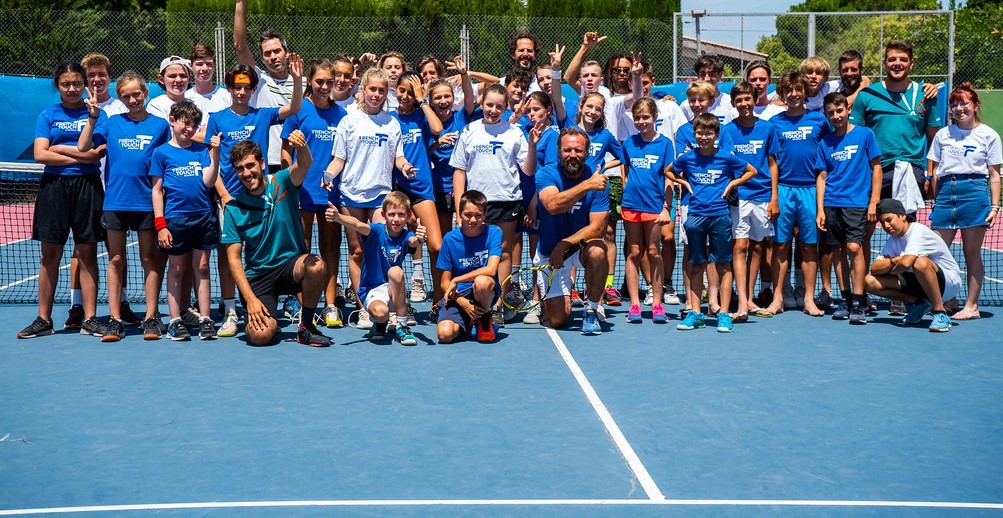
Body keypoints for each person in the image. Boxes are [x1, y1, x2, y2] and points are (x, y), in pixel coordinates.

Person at [207, 59, 303, 336]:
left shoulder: (263, 115)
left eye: (246, 87)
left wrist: (296, 80)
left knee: (272, 246)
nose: (241, 92)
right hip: (232, 199)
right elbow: (212, 160)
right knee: (228, 255)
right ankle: (231, 310)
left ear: (253, 89)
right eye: (236, 87)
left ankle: (282, 301)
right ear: (229, 88)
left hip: (262, 196)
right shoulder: (217, 118)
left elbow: (294, 108)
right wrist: (225, 197)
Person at [78, 72, 172, 341]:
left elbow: (167, 159)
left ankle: (151, 317)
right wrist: (93, 117)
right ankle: (115, 320)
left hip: (146, 203)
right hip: (115, 201)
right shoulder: (111, 123)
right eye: (126, 95)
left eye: (136, 94)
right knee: (116, 259)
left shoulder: (160, 125)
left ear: (146, 93)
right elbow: (84, 146)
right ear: (120, 98)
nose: (132, 99)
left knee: (148, 259)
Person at [322, 68, 416, 330]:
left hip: (380, 197)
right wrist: (329, 175)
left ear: (387, 94)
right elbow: (339, 159)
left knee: (384, 253)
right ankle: (364, 308)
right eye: (372, 89)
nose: (376, 94)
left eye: (381, 90)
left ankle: (394, 305)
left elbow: (398, 158)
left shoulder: (392, 123)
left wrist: (405, 166)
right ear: (362, 90)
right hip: (351, 194)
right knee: (357, 251)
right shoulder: (349, 121)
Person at [17, 62, 105, 339]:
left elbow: (96, 153)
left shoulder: (96, 114)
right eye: (66, 84)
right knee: (49, 255)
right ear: (57, 86)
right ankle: (44, 319)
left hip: (88, 187)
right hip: (53, 187)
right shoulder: (48, 115)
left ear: (85, 84)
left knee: (87, 254)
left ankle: (90, 318)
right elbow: (41, 155)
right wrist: (79, 154)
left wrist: (60, 148)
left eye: (77, 83)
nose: (72, 89)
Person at [221, 137, 332, 347]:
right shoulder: (233, 209)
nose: (246, 173)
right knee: (260, 337)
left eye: (250, 165)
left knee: (316, 265)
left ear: (262, 164)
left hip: (292, 266)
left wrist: (302, 146)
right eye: (240, 169)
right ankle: (262, 317)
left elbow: (305, 163)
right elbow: (233, 260)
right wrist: (251, 300)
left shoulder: (282, 181)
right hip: (259, 276)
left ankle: (306, 328)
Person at [450, 83, 536, 328]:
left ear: (507, 107)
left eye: (500, 106)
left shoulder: (514, 132)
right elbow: (459, 171)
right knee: (477, 254)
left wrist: (531, 144)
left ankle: (500, 305)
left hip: (507, 199)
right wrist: (459, 208)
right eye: (489, 105)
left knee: (505, 251)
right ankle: (478, 302)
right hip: (476, 203)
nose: (493, 110)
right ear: (481, 104)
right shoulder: (470, 131)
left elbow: (528, 169)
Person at [668, 113, 756, 333]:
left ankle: (724, 314)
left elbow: (751, 171)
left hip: (720, 217)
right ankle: (695, 313)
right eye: (699, 133)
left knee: (723, 266)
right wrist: (684, 183)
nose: (703, 137)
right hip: (696, 217)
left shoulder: (726, 157)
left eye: (708, 133)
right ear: (694, 134)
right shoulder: (688, 158)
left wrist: (731, 185)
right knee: (696, 265)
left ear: (716, 134)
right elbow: (668, 171)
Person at [280, 58, 349, 329]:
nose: (324, 86)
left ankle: (330, 305)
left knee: (331, 249)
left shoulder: (342, 116)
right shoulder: (300, 111)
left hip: (331, 193)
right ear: (310, 81)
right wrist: (290, 181)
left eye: (329, 82)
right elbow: (286, 150)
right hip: (303, 193)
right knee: (303, 249)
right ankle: (304, 305)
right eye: (319, 81)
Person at [927, 83, 1002, 320]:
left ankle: (971, 306)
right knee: (936, 253)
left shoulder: (989, 135)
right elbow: (936, 170)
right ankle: (948, 299)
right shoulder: (943, 134)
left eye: (964, 103)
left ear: (975, 105)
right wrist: (936, 199)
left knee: (972, 253)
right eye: (954, 104)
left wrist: (995, 206)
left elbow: (994, 174)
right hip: (946, 195)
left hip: (974, 193)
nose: (959, 108)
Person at [150, 100, 221, 341]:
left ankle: (205, 319)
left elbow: (209, 182)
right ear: (172, 120)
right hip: (175, 220)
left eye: (193, 125)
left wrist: (216, 154)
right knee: (177, 269)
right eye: (184, 123)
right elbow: (157, 191)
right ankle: (175, 321)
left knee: (201, 267)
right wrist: (161, 225)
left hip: (203, 217)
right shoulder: (161, 153)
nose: (188, 128)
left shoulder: (201, 151)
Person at [764, 71, 829, 316]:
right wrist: (773, 196)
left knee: (809, 246)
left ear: (805, 92)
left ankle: (809, 299)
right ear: (782, 94)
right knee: (780, 246)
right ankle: (778, 298)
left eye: (798, 90)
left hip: (811, 191)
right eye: (788, 91)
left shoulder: (819, 121)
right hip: (782, 190)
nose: (793, 95)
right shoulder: (775, 123)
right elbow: (771, 161)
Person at [324, 192, 426, 345]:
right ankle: (380, 324)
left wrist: (419, 238)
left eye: (401, 214)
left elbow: (413, 242)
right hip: (372, 290)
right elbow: (357, 225)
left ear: (407, 215)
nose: (396, 219)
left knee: (395, 271)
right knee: (381, 313)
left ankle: (402, 326)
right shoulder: (376, 231)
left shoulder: (406, 235)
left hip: (394, 289)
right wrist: (339, 218)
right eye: (392, 214)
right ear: (384, 215)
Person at [535, 128, 610, 334]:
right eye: (567, 150)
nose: (573, 155)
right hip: (550, 251)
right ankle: (552, 300)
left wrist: (566, 243)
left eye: (578, 150)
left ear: (587, 153)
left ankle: (592, 311)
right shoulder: (546, 174)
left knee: (598, 251)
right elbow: (552, 204)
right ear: (559, 151)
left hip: (578, 248)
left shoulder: (600, 181)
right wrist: (586, 186)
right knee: (558, 320)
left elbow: (598, 227)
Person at [815, 92, 882, 324]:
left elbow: (876, 168)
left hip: (856, 203)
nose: (836, 116)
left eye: (839, 110)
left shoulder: (865, 135)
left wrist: (874, 201)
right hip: (832, 202)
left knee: (855, 247)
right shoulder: (825, 143)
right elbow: (822, 177)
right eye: (831, 112)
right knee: (837, 251)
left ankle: (858, 300)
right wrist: (820, 209)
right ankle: (845, 299)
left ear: (848, 109)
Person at [719, 81, 780, 319]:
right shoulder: (727, 130)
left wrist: (774, 197)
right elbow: (725, 163)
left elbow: (773, 163)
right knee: (740, 246)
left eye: (747, 99)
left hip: (763, 195)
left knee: (758, 246)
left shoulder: (767, 128)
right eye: (739, 100)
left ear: (755, 100)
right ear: (733, 104)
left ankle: (750, 297)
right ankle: (742, 302)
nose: (744, 104)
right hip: (739, 198)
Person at [427, 57, 477, 322]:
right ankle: (439, 297)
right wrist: (437, 143)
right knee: (440, 249)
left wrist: (465, 76)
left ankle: (466, 295)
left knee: (465, 249)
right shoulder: (428, 122)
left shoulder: (462, 117)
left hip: (462, 192)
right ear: (432, 101)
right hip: (437, 191)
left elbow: (470, 99)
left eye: (447, 96)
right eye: (439, 98)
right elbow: (422, 153)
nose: (444, 101)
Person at [865, 198, 961, 332]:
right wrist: (894, 260)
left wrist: (890, 267)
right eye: (882, 222)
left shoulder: (917, 231)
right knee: (870, 281)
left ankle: (940, 313)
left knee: (920, 262)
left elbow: (906, 264)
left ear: (903, 216)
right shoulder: (894, 239)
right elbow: (874, 269)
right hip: (919, 281)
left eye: (889, 220)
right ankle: (918, 303)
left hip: (948, 283)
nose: (886, 226)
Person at [390, 72, 444, 308]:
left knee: (436, 245)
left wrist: (423, 101)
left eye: (410, 92)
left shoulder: (422, 116)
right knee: (394, 249)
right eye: (401, 90)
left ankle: (439, 301)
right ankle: (399, 305)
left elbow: (437, 127)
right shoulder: (389, 119)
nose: (405, 95)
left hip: (421, 188)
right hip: (396, 189)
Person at [621, 97, 674, 324]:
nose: (641, 121)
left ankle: (657, 304)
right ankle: (634, 305)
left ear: (655, 118)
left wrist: (666, 207)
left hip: (655, 207)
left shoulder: (664, 144)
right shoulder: (629, 143)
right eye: (638, 118)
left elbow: (670, 179)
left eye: (645, 117)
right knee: (633, 252)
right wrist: (626, 191)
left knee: (653, 251)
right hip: (631, 206)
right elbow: (625, 170)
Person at [234, 0, 300, 172]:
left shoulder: (304, 82)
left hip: (298, 158)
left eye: (277, 51)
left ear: (286, 52)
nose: (273, 57)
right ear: (262, 59)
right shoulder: (258, 79)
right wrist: (240, 4)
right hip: (267, 159)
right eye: (267, 54)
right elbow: (240, 47)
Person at [574, 92, 625, 310]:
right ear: (581, 106)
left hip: (597, 193)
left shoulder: (604, 136)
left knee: (597, 242)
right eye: (589, 106)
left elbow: (624, 155)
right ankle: (572, 289)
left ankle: (596, 297)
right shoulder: (570, 131)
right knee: (573, 239)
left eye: (598, 109)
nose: (593, 112)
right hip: (574, 192)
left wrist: (605, 167)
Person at [436, 190, 503, 344]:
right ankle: (468, 321)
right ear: (459, 214)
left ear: (485, 215)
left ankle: (483, 319)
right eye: (467, 215)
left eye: (478, 215)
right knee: (444, 335)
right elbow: (445, 283)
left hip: (485, 291)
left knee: (482, 281)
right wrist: (462, 302)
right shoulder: (449, 239)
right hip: (459, 294)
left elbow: (491, 270)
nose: (473, 220)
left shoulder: (494, 232)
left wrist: (457, 279)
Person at [680, 55, 733, 124]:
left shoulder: (730, 102)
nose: (707, 79)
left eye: (711, 74)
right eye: (702, 74)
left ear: (719, 75)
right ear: (698, 76)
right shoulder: (687, 105)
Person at [186, 44, 232, 116]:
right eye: (199, 64)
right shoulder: (185, 98)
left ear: (214, 66)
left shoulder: (228, 96)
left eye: (209, 64)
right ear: (191, 66)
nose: (205, 68)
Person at [148, 56, 193, 121]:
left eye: (183, 76)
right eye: (172, 76)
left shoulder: (197, 105)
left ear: (190, 79)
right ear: (161, 79)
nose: (178, 80)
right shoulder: (156, 105)